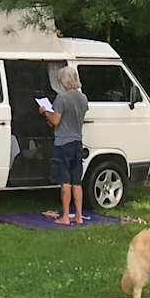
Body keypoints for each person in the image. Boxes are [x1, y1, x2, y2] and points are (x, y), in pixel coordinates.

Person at [42, 66, 90, 225]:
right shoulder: (83, 98)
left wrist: (45, 112)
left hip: (63, 143)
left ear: (64, 80)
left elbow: (55, 121)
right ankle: (78, 216)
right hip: (77, 142)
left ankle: (65, 217)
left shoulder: (62, 98)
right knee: (77, 181)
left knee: (65, 181)